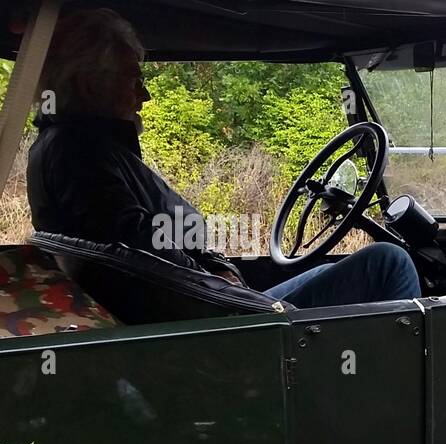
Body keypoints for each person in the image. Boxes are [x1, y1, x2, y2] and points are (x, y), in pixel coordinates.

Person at [26, 8, 420, 310]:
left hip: (209, 309)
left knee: (341, 267)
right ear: (89, 83)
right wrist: (216, 280)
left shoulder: (72, 149)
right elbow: (139, 254)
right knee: (389, 263)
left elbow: (142, 247)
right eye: (133, 78)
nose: (144, 95)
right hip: (218, 327)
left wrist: (217, 269)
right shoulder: (83, 155)